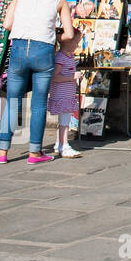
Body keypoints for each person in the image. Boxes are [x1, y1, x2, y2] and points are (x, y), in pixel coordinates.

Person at [0, 0, 75, 164]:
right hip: (44, 51)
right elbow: (69, 35)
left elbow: (7, 24)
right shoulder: (59, 0)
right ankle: (35, 152)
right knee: (38, 103)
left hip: (19, 49)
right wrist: (53, 35)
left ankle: (2, 152)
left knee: (12, 101)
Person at [47, 9, 89, 158]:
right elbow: (54, 77)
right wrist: (72, 77)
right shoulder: (61, 57)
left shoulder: (68, 56)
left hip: (67, 93)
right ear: (68, 42)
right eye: (76, 43)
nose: (77, 46)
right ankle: (64, 145)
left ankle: (59, 143)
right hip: (62, 95)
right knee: (64, 121)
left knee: (64, 120)